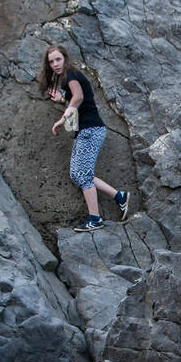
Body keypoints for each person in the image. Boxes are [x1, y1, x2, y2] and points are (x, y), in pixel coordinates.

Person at [39, 45, 131, 231]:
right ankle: (119, 196)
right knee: (77, 174)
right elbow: (78, 101)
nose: (55, 64)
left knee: (82, 174)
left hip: (92, 130)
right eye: (51, 61)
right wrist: (63, 100)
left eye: (58, 59)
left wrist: (62, 118)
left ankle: (95, 219)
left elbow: (79, 97)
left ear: (65, 58)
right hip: (86, 130)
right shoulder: (67, 79)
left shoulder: (71, 75)